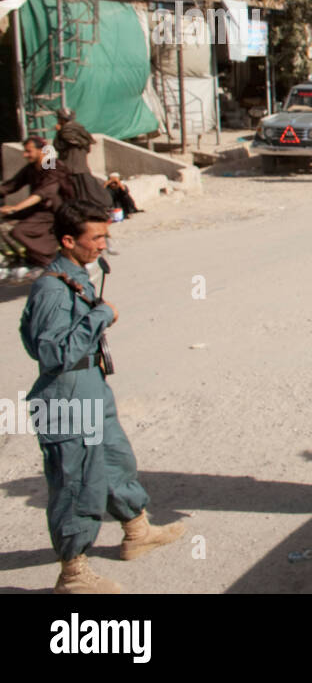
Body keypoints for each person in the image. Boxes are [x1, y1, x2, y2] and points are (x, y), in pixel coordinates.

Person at [20, 201, 186, 593]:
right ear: (67, 240)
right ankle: (73, 573)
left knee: (113, 459)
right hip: (65, 398)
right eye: (95, 238)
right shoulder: (51, 288)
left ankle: (136, 531)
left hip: (90, 385)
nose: (102, 245)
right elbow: (51, 353)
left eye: (104, 236)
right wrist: (100, 316)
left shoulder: (77, 275)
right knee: (76, 482)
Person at [1, 136, 64, 274]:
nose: (25, 155)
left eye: (29, 151)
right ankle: (20, 258)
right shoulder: (31, 168)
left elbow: (43, 193)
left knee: (18, 231)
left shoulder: (51, 165)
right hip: (35, 210)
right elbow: (10, 186)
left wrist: (15, 208)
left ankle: (48, 262)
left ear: (41, 150)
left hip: (51, 211)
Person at [53, 109, 114, 211]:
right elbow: (88, 143)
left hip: (71, 168)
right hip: (81, 166)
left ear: (62, 119)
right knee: (89, 191)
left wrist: (58, 132)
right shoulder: (79, 128)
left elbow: (58, 146)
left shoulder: (65, 131)